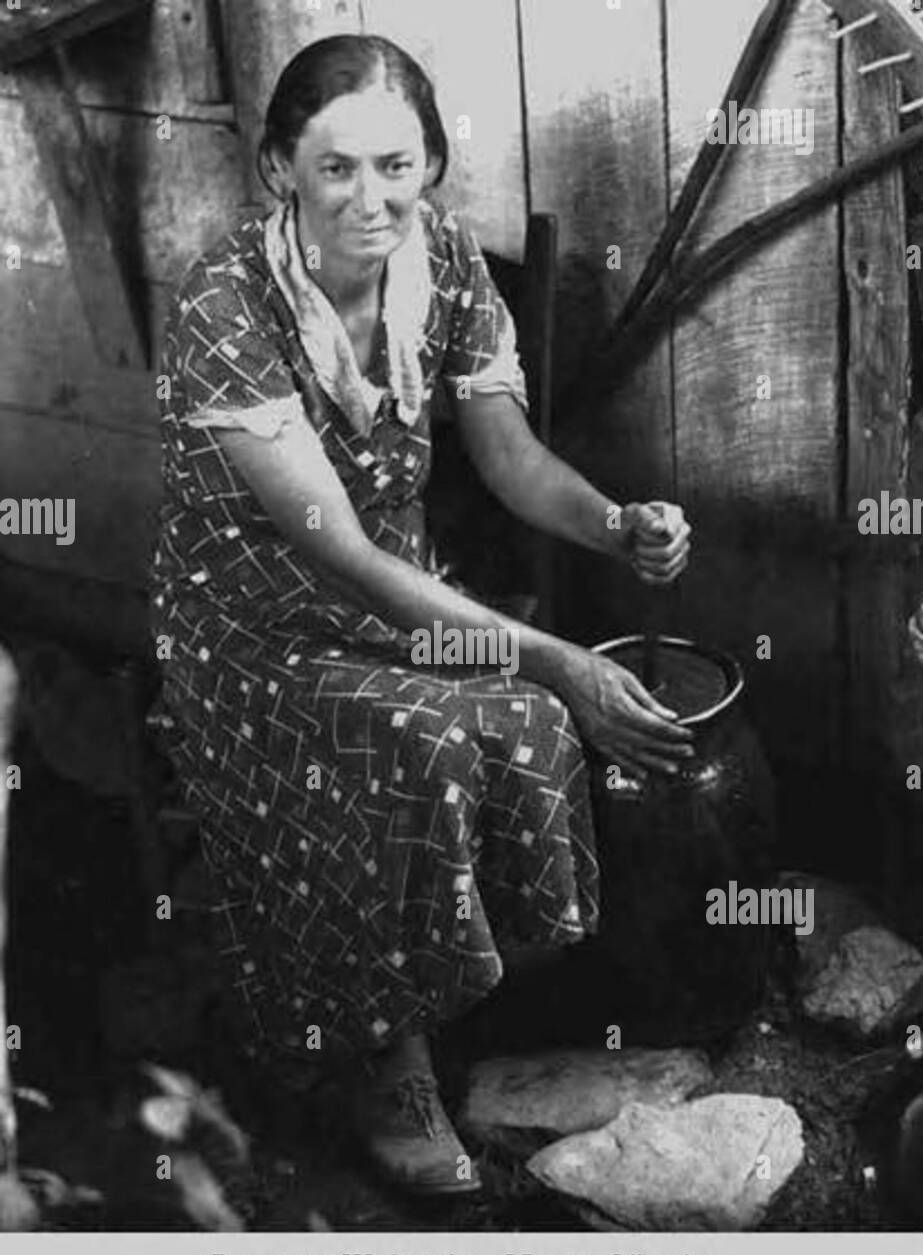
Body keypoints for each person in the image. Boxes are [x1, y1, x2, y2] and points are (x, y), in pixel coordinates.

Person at [150, 34, 694, 1196]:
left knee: (531, 728)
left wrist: (614, 523)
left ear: (431, 165)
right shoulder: (223, 304)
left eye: (397, 165)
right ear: (276, 170)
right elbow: (333, 547)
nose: (371, 198)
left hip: (404, 592)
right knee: (424, 740)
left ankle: (451, 992)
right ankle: (373, 1059)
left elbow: (509, 457)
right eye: (336, 168)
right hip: (251, 628)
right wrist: (554, 655)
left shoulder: (440, 257)